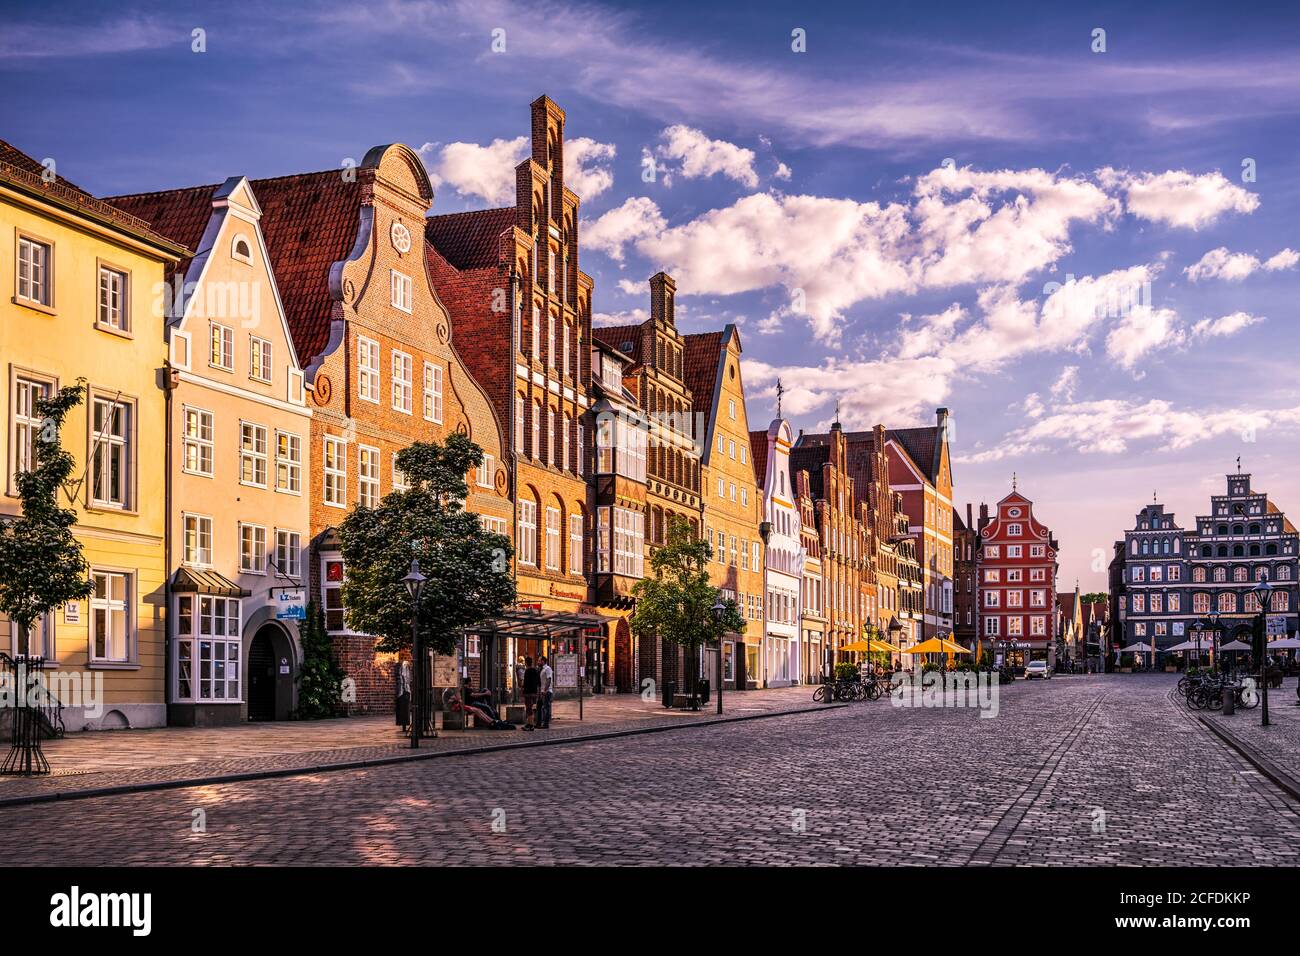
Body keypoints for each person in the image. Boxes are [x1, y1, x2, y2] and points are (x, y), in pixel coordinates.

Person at [522, 656, 540, 731]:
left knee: (529, 708)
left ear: (526, 663)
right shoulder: (535, 670)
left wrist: (523, 691)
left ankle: (531, 725)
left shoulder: (527, 671)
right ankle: (529, 723)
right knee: (531, 708)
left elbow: (525, 683)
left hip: (528, 692)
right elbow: (538, 681)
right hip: (534, 692)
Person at [538, 655, 554, 728]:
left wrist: (545, 690)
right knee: (539, 706)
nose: (538, 662)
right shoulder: (541, 669)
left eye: (539, 660)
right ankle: (538, 723)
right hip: (541, 691)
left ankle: (545, 724)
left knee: (546, 708)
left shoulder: (548, 669)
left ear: (543, 661)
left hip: (546, 692)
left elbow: (549, 679)